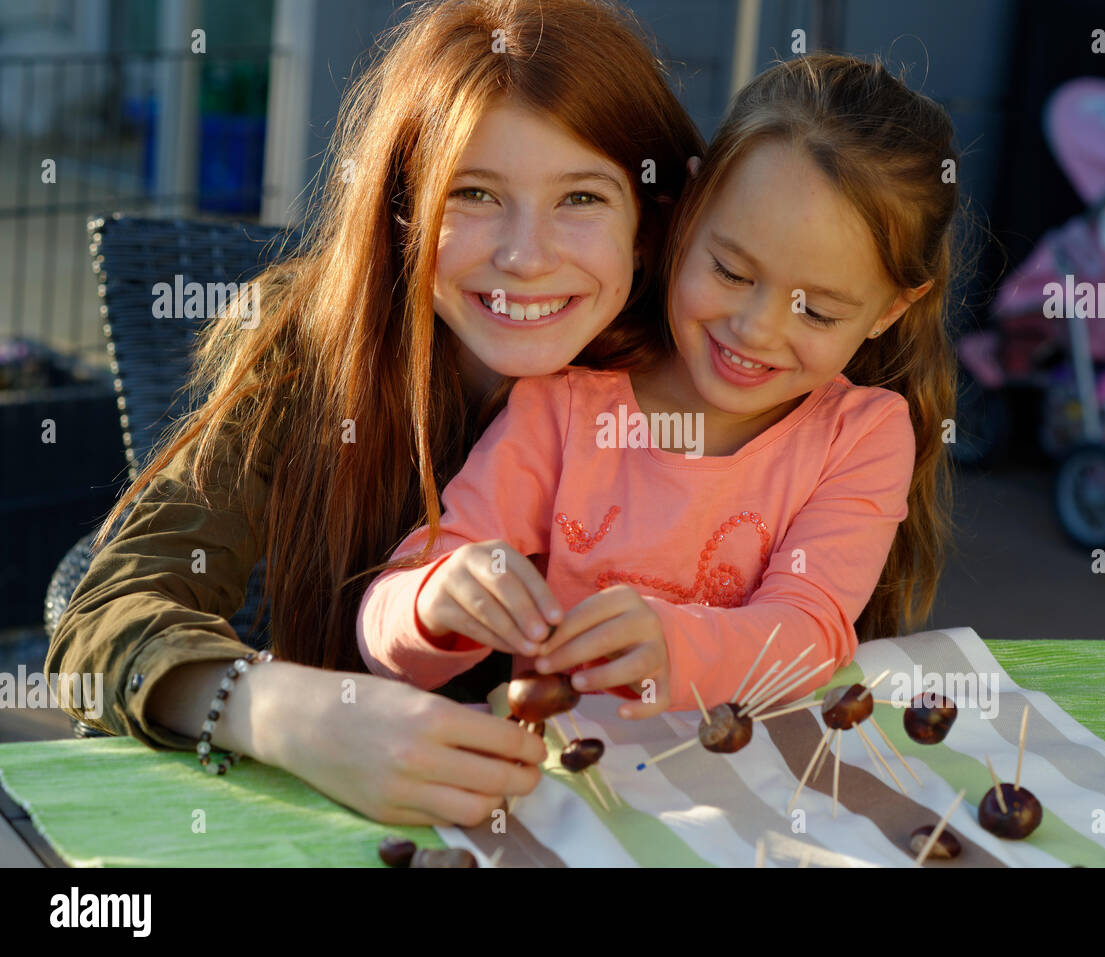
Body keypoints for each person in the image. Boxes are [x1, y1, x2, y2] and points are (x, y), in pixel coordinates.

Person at [45, 0, 703, 827]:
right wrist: (289, 711)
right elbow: (102, 616)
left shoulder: (704, 378)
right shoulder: (311, 347)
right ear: (400, 209)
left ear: (648, 222)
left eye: (581, 197)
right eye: (474, 192)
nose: (526, 256)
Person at [358, 53, 959, 718]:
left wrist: (677, 647)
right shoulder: (562, 407)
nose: (755, 328)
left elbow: (809, 630)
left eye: (816, 310)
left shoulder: (860, 436)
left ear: (889, 310)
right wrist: (435, 602)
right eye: (730, 271)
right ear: (686, 213)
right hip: (574, 792)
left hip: (755, 794)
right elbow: (393, 610)